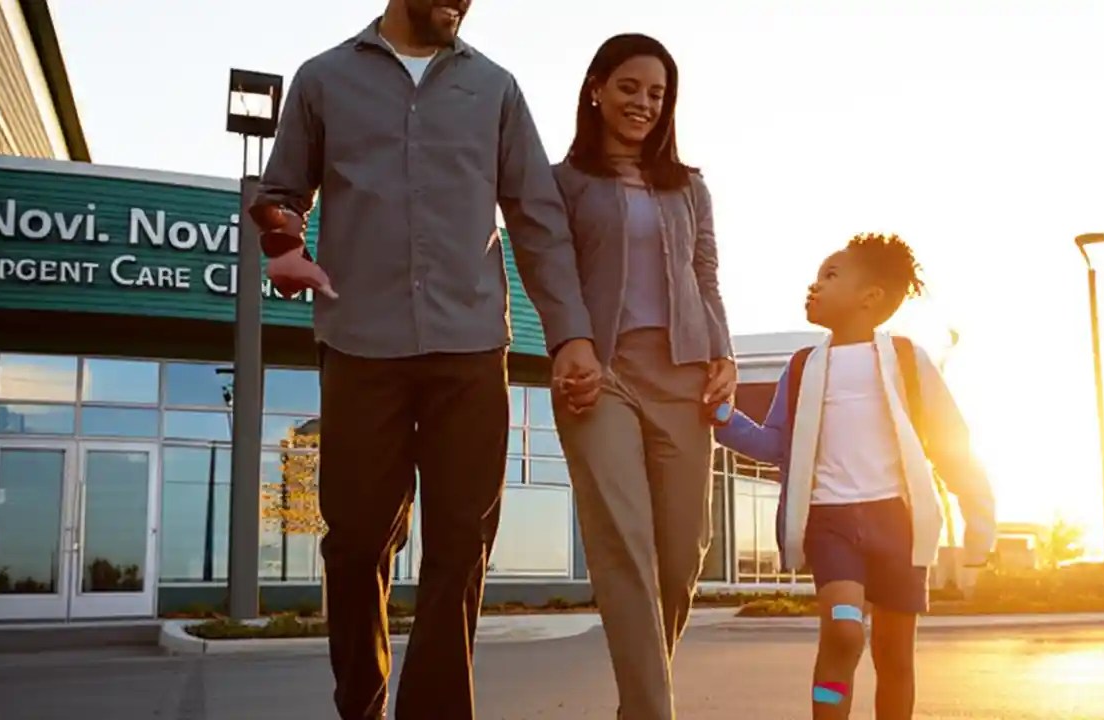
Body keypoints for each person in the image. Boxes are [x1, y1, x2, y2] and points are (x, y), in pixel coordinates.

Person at [249, 2, 602, 718]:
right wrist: (284, 246)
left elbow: (536, 215)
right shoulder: (323, 79)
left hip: (471, 352)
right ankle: (362, 704)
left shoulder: (496, 88)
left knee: (460, 548)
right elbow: (280, 193)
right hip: (360, 347)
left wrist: (570, 333)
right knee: (353, 546)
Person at [714, 233, 996, 720]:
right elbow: (772, 444)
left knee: (894, 657)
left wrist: (978, 518)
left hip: (898, 526)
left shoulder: (909, 360)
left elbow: (952, 443)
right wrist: (720, 416)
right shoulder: (803, 367)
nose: (815, 284)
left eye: (831, 275)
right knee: (844, 634)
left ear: (871, 298)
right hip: (831, 523)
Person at [549, 33, 737, 720]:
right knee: (625, 547)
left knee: (682, 555)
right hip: (601, 378)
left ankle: (640, 707)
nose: (643, 103)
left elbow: (706, 274)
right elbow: (551, 273)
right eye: (630, 87)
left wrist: (724, 351)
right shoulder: (561, 184)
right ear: (595, 87)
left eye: (656, 94)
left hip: (684, 378)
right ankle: (654, 712)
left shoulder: (689, 187)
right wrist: (570, 346)